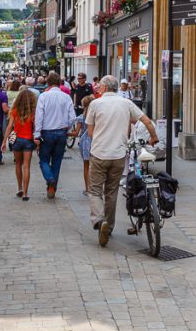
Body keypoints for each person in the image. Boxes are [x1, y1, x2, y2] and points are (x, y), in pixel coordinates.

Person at [86, 75, 158, 247]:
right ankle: (109, 227)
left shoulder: (95, 104)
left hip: (99, 153)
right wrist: (153, 137)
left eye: (100, 87)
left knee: (95, 190)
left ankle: (99, 220)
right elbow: (146, 120)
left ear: (103, 87)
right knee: (111, 192)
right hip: (118, 155)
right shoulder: (126, 103)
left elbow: (90, 132)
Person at [33, 72, 76, 199]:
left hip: (47, 133)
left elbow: (39, 117)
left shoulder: (44, 96)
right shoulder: (66, 97)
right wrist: (66, 128)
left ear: (48, 83)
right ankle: (52, 188)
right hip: (61, 132)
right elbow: (72, 117)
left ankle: (50, 179)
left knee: (44, 160)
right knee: (57, 161)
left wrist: (36, 135)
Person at [3, 88, 36, 201]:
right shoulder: (33, 111)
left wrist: (4, 141)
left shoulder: (15, 110)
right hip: (28, 140)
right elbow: (35, 127)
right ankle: (26, 193)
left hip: (17, 140)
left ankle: (19, 188)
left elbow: (9, 126)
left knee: (18, 164)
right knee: (26, 166)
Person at [70, 95, 94, 198]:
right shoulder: (96, 116)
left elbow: (76, 133)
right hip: (95, 140)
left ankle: (88, 189)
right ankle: (96, 189)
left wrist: (66, 134)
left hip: (85, 142)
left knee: (86, 166)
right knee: (96, 166)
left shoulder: (81, 117)